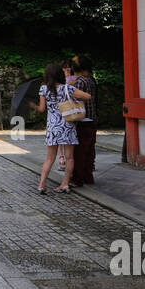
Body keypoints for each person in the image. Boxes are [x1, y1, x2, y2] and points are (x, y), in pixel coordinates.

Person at [31, 63, 92, 194]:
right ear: (60, 74)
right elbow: (87, 96)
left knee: (50, 158)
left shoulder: (43, 89)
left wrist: (33, 105)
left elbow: (41, 109)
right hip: (67, 125)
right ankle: (64, 184)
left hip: (52, 127)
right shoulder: (67, 89)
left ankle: (41, 184)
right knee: (69, 157)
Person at [69, 55, 99, 186]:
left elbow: (74, 99)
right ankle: (88, 177)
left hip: (82, 121)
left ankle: (77, 179)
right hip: (92, 119)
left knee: (79, 152)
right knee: (89, 151)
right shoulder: (92, 79)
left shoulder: (80, 81)